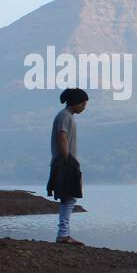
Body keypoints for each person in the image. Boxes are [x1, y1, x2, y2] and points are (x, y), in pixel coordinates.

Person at [47, 88, 87, 244]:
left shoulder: (67, 116)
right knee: (68, 197)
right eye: (83, 103)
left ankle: (64, 233)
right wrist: (68, 160)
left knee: (68, 198)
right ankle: (63, 234)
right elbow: (61, 138)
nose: (84, 107)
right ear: (76, 103)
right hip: (65, 162)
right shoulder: (65, 116)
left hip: (66, 161)